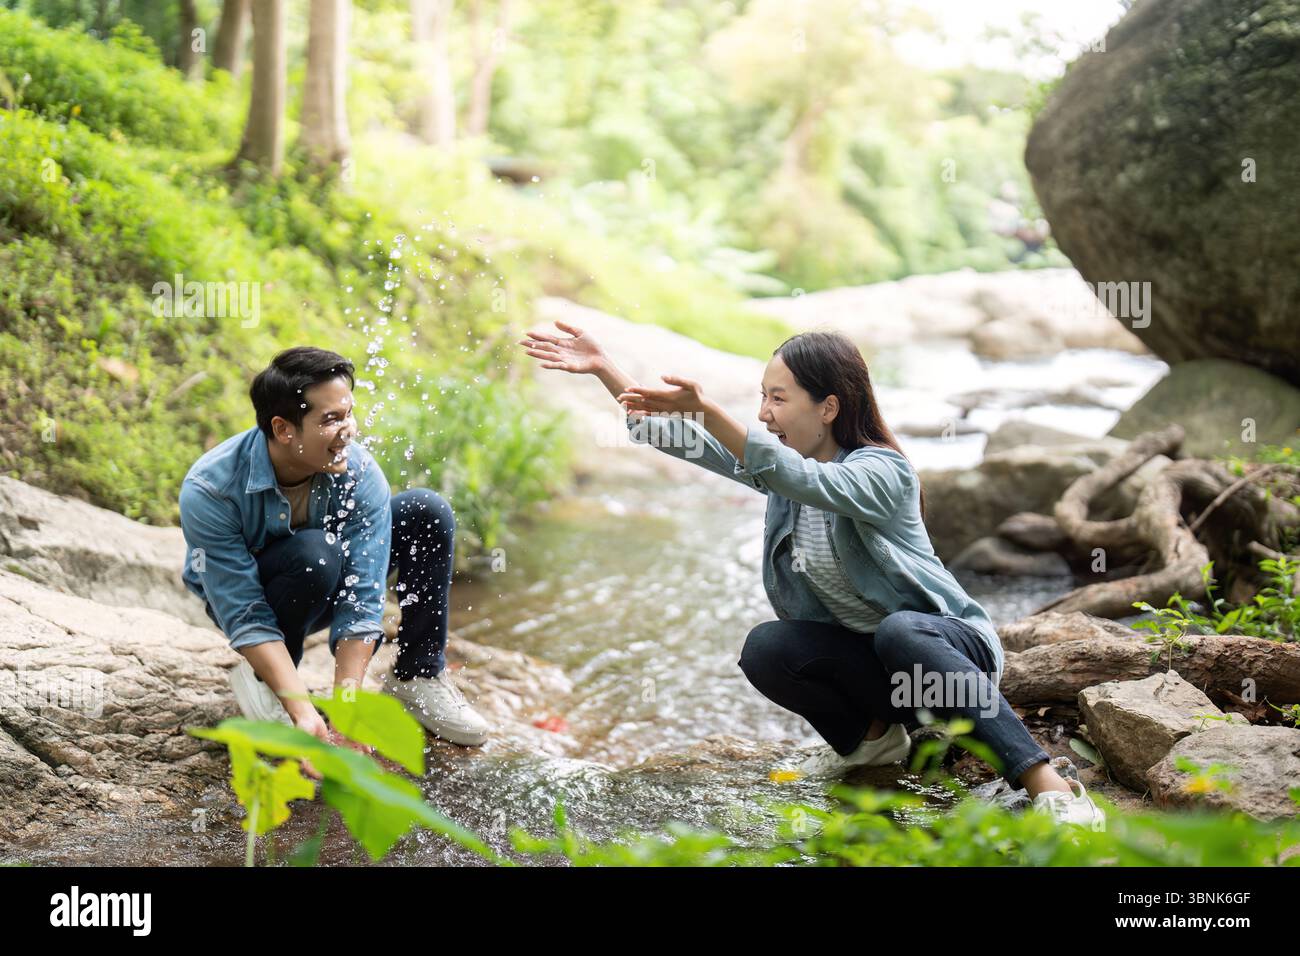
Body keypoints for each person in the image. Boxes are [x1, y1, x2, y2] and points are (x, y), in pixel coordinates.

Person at [519, 322, 1104, 829]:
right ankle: (876, 741)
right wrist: (606, 370)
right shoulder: (783, 472)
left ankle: (1048, 785)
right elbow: (686, 442)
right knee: (767, 647)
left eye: (778, 399)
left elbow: (808, 481)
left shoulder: (882, 470)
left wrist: (711, 410)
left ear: (828, 408)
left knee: (901, 630)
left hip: (949, 655)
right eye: (760, 397)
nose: (763, 414)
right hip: (885, 678)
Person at [178, 346, 490, 776]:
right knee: (315, 554)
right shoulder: (210, 489)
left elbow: (363, 594)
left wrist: (347, 707)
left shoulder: (360, 472)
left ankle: (416, 677)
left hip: (327, 573)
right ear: (284, 429)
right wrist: (304, 711)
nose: (347, 431)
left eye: (348, 414)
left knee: (426, 511)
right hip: (268, 593)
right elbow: (241, 606)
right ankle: (268, 678)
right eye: (329, 420)